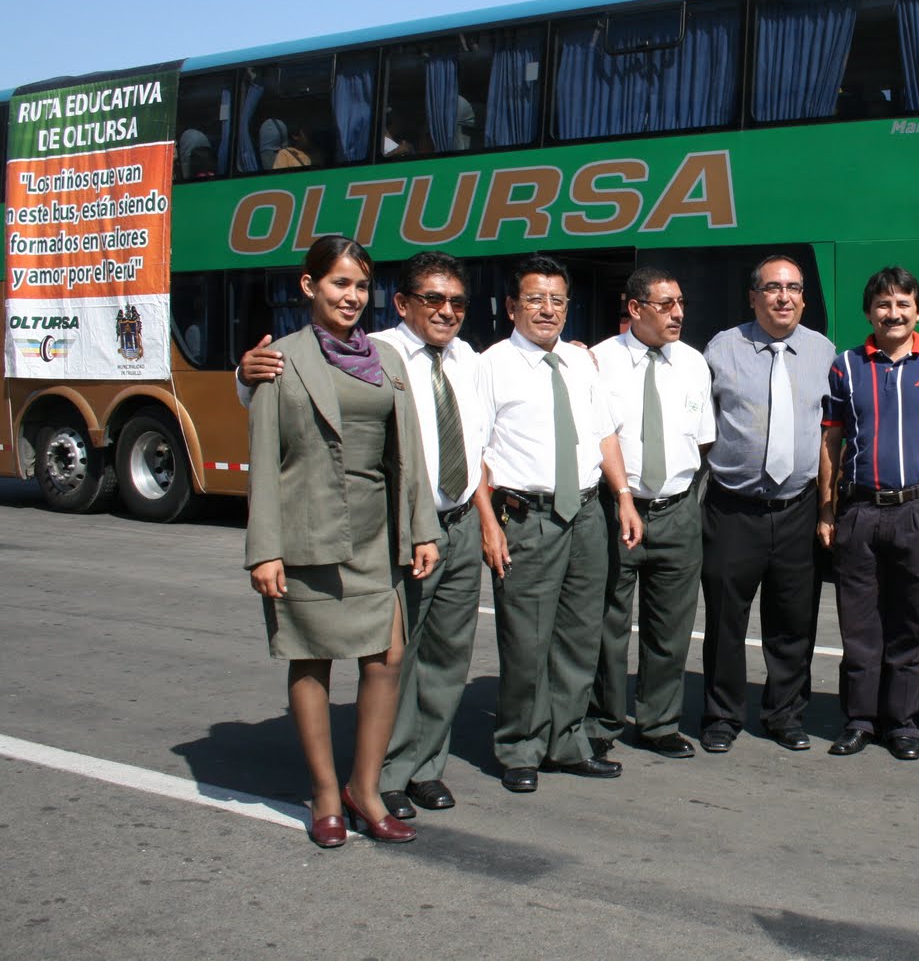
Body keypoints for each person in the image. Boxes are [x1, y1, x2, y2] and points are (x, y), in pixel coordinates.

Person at [238, 252, 490, 820]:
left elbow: (408, 459)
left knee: (386, 660)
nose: (351, 296)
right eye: (339, 283)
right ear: (310, 285)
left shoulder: (384, 360)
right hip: (309, 533)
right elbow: (263, 458)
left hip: (378, 536)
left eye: (359, 286)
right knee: (311, 660)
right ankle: (327, 794)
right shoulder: (280, 359)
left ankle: (366, 788)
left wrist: (421, 529)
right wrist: (265, 550)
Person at [474, 254, 643, 793]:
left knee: (579, 636)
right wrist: (487, 522)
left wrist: (624, 497)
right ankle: (520, 747)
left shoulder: (579, 363)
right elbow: (474, 450)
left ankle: (566, 740)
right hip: (527, 518)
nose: (547, 310)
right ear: (510, 307)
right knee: (526, 640)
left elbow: (604, 436)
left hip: (587, 514)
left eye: (557, 300)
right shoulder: (490, 366)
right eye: (535, 299)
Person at [817, 267, 919, 762]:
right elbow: (831, 439)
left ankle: (903, 723)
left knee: (912, 621)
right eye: (883, 304)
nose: (893, 313)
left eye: (903, 304)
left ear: (918, 311)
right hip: (860, 509)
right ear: (869, 313)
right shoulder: (845, 365)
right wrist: (827, 508)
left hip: (918, 509)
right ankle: (859, 720)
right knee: (859, 624)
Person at [699, 255, 835, 753]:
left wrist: (825, 505)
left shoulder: (823, 352)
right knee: (725, 621)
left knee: (794, 621)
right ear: (753, 296)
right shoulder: (722, 349)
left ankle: (785, 715)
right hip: (733, 508)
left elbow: (831, 436)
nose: (784, 297)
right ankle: (720, 716)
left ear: (803, 297)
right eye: (773, 288)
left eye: (794, 288)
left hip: (797, 507)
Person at [584, 267, 715, 760]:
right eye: (665, 304)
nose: (678, 313)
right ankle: (602, 721)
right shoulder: (597, 361)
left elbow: (702, 438)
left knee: (671, 627)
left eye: (680, 302)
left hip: (678, 508)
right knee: (607, 624)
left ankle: (660, 722)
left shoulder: (694, 363)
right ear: (635, 308)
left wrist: (684, 502)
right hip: (615, 509)